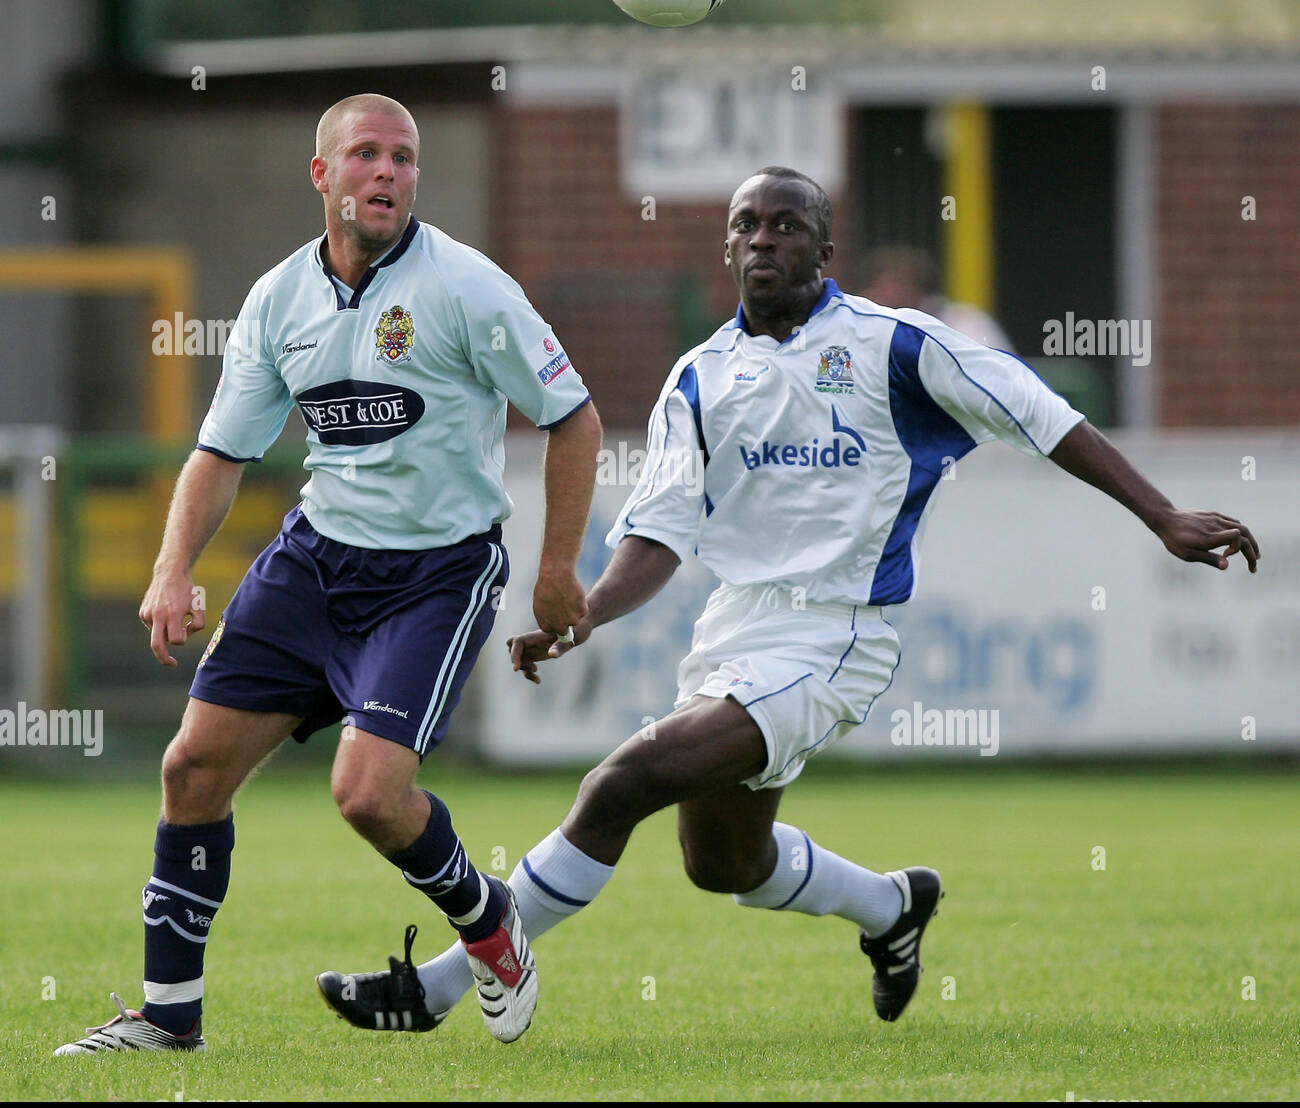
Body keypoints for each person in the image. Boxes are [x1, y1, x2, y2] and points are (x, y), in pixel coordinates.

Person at [318, 165, 1258, 1034]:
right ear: (727, 247)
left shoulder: (900, 345)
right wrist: (588, 614)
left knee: (619, 784)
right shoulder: (700, 375)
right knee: (722, 864)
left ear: (823, 248)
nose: (764, 240)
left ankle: (442, 984)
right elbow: (660, 534)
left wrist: (1164, 515)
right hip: (736, 630)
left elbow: (1046, 417)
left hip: (839, 633)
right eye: (746, 225)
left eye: (786, 225)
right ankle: (893, 906)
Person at [54, 94, 601, 1054]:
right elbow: (221, 451)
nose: (387, 172)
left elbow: (574, 416)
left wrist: (557, 568)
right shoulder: (278, 298)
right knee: (191, 769)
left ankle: (489, 924)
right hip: (313, 563)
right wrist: (172, 564)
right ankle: (168, 1019)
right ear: (323, 175)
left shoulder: (467, 288)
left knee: (367, 794)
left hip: (436, 571)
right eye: (365, 155)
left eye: (403, 158)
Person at [861, 244, 1016, 352]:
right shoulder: (865, 326)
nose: (884, 294)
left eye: (896, 283)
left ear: (917, 289)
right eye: (878, 286)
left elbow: (997, 378)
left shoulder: (963, 321)